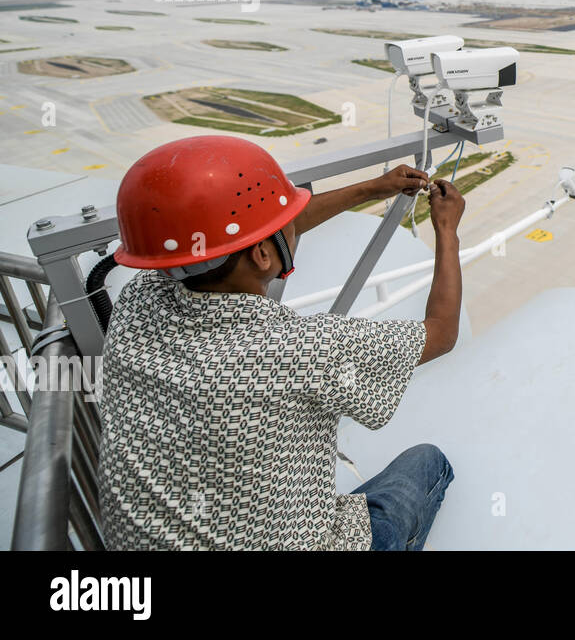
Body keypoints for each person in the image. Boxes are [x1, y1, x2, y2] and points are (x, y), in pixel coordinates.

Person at [99, 134, 465, 550]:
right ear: (261, 256)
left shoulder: (137, 300)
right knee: (428, 463)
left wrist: (372, 188)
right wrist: (447, 229)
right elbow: (441, 331)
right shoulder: (301, 348)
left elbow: (234, 241)